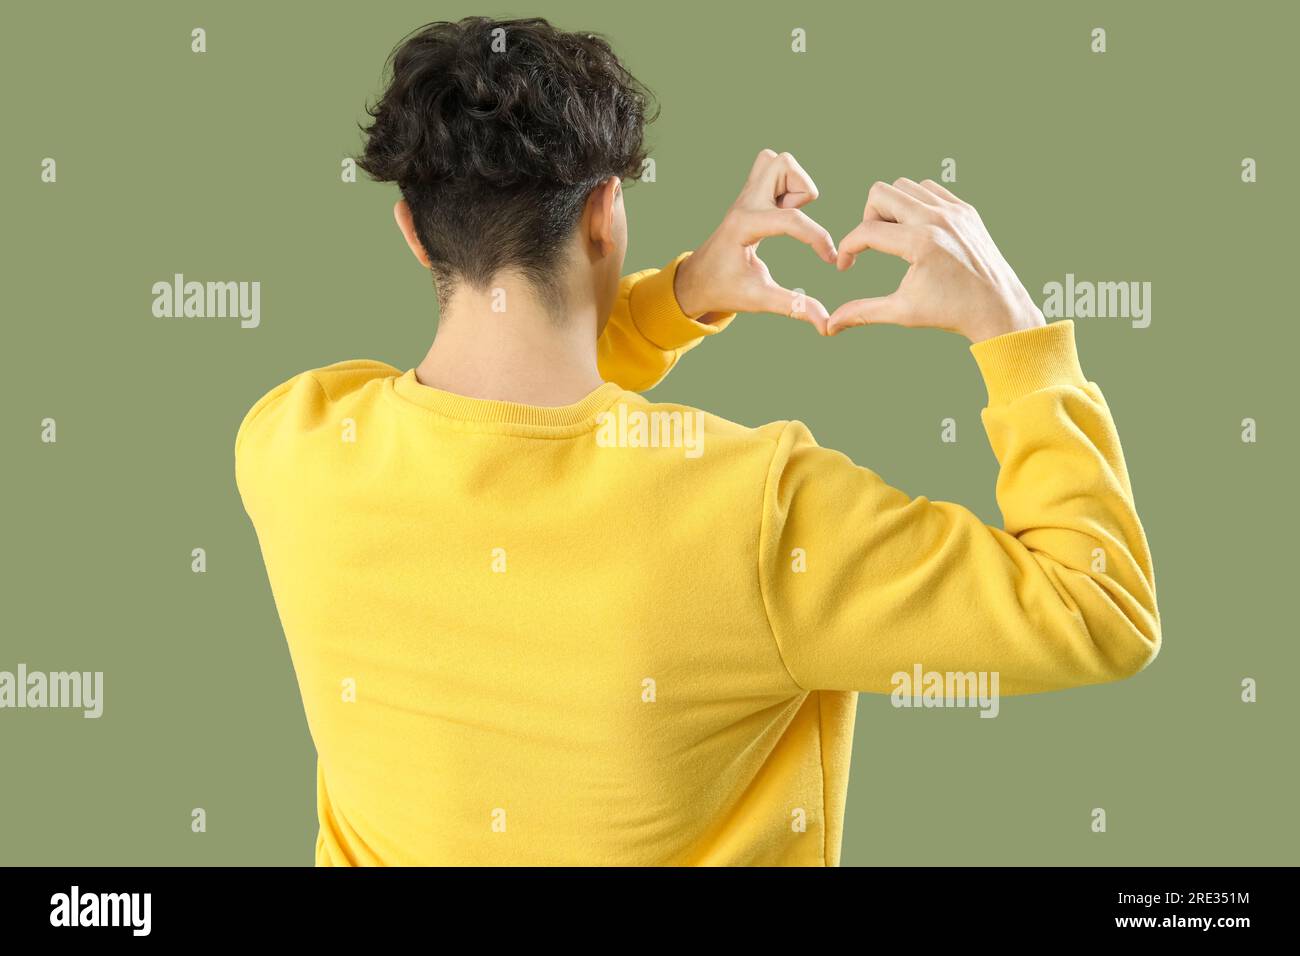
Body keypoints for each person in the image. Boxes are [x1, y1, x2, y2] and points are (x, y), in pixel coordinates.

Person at [235, 16, 1160, 866]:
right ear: (605, 215)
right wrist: (1014, 336)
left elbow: (509, 418)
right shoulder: (755, 510)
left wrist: (679, 299)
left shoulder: (293, 441)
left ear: (412, 232)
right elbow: (1098, 608)